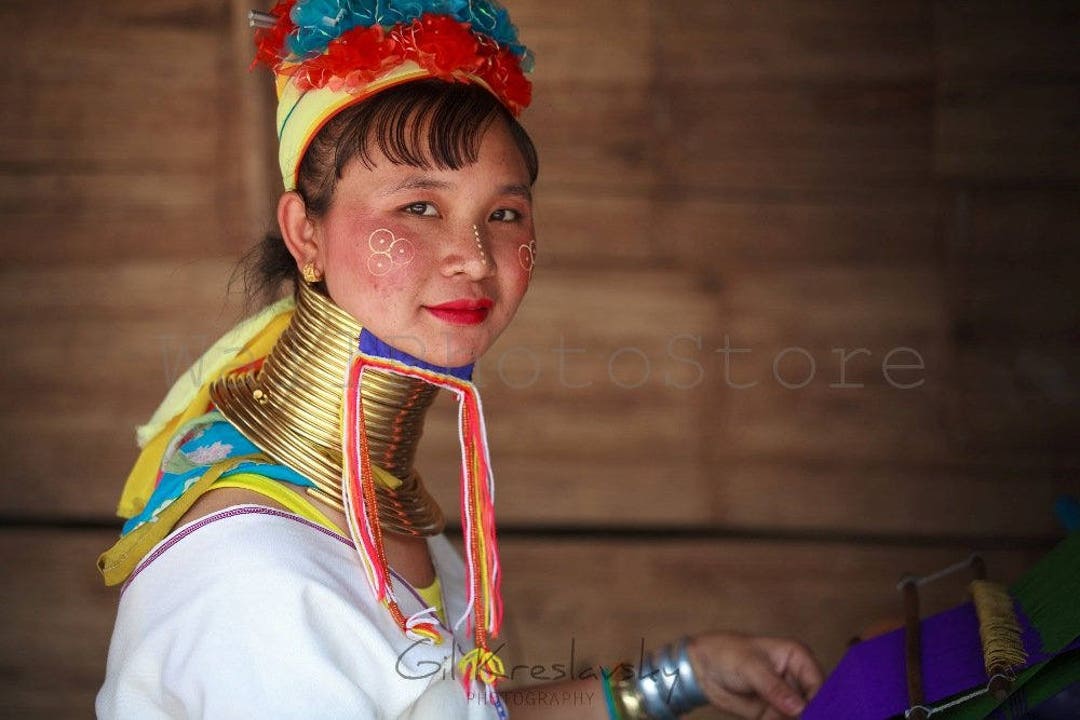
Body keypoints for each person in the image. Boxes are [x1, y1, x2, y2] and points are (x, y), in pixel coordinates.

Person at [96, 2, 823, 718]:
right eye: (418, 207)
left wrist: (680, 677)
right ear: (305, 233)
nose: (474, 259)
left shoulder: (372, 505)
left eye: (503, 215)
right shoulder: (257, 574)